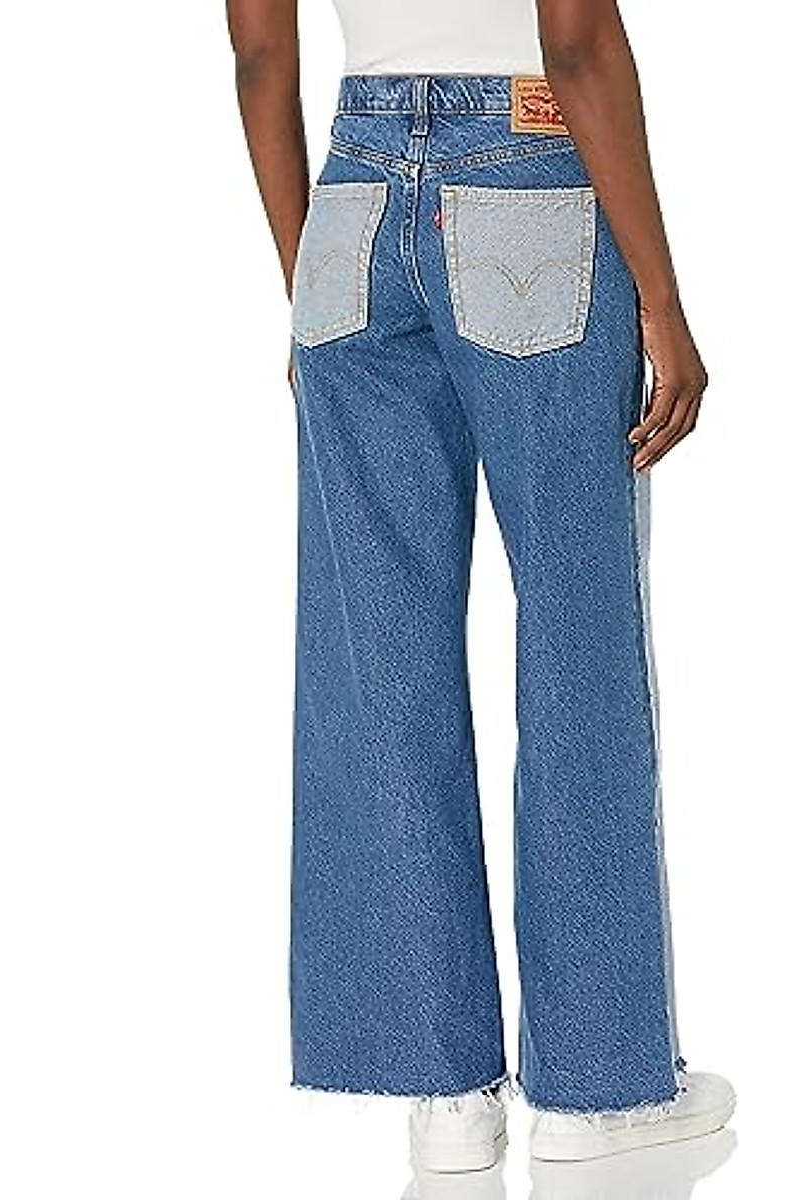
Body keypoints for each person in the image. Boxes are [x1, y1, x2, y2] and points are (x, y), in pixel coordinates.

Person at [226, 0, 736, 1170]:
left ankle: (443, 1097)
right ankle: (599, 1094)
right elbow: (578, 42)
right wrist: (662, 303)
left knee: (378, 662)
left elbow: (259, 54)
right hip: (530, 178)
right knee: (578, 647)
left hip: (348, 207)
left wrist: (309, 284)